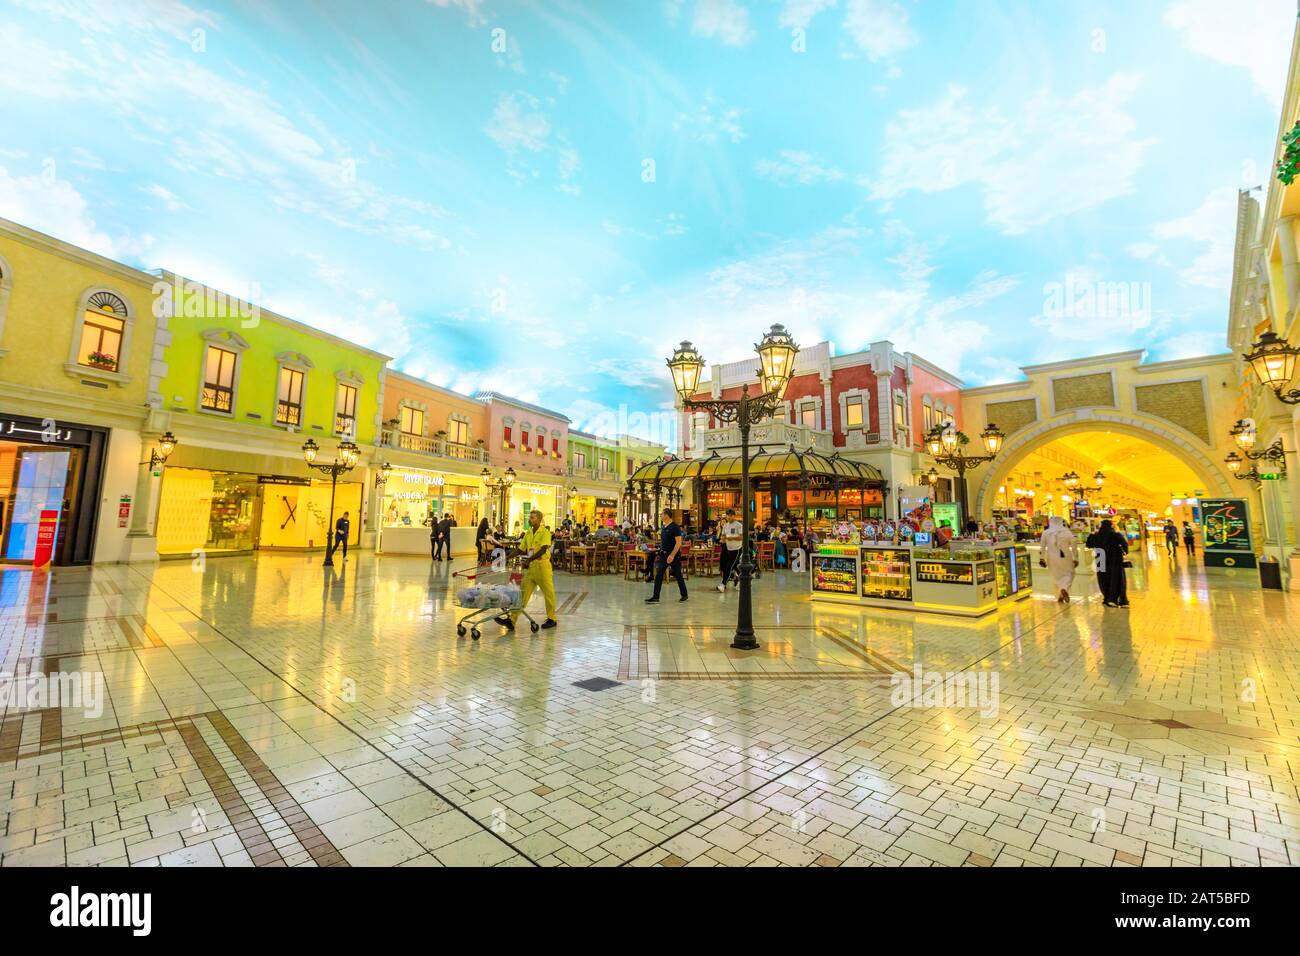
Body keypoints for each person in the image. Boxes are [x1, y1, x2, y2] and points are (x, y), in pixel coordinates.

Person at [495, 509, 556, 631]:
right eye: (530, 517)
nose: (530, 519)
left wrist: (529, 559)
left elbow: (543, 549)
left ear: (539, 519)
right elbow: (521, 549)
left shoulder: (545, 533)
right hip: (530, 568)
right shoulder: (528, 533)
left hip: (542, 567)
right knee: (522, 595)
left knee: (549, 594)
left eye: (533, 517)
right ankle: (512, 620)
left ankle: (552, 618)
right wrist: (506, 557)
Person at [1085, 518, 1130, 608]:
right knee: (1117, 578)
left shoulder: (1097, 535)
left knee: (1103, 578)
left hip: (1101, 559)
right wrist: (1125, 552)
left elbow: (1088, 544)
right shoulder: (1115, 535)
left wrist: (1092, 535)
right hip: (1115, 559)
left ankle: (1107, 598)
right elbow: (1124, 545)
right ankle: (1119, 599)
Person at [647, 508, 687, 603]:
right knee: (659, 575)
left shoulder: (675, 527)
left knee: (678, 575)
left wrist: (672, 555)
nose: (660, 516)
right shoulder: (664, 527)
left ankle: (684, 594)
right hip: (664, 555)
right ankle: (656, 597)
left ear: (667, 515)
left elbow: (678, 543)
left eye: (662, 514)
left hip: (673, 556)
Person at [1039, 516, 1078, 604]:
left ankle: (1060, 595)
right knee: (1069, 574)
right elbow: (1074, 545)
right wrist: (1076, 558)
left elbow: (1042, 547)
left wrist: (1042, 558)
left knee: (1055, 576)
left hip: (1051, 558)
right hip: (1066, 557)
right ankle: (1063, 589)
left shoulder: (1046, 533)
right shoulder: (1067, 532)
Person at [716, 508, 743, 592]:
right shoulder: (725, 526)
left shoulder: (739, 525)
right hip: (728, 549)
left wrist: (730, 538)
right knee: (735, 566)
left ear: (734, 516)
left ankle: (723, 584)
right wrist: (722, 539)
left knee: (729, 566)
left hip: (737, 549)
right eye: (727, 515)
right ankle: (743, 579)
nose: (728, 517)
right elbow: (723, 536)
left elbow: (741, 537)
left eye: (730, 515)